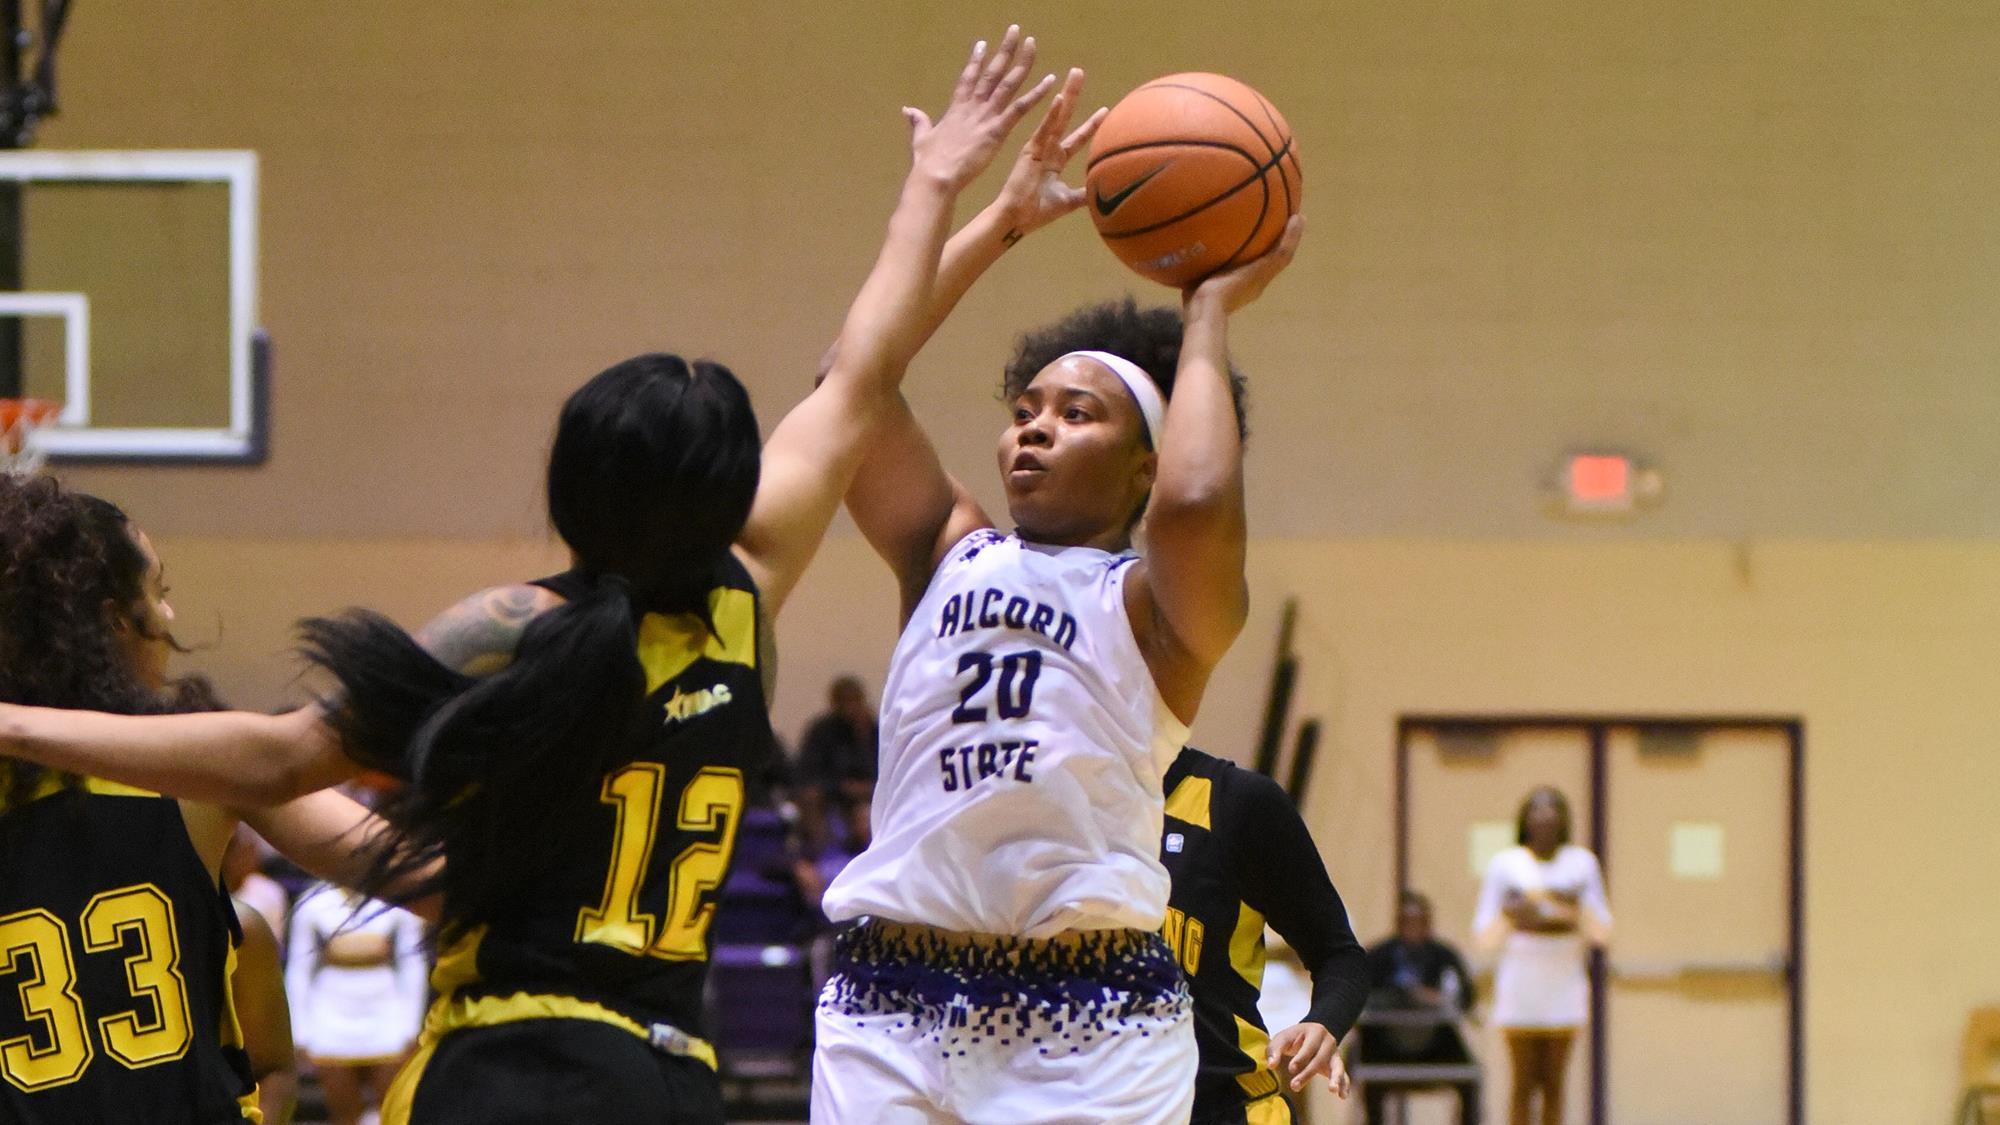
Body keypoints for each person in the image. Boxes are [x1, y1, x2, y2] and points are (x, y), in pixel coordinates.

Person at [0, 29, 1069, 1125]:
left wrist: (19, 725)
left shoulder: (516, 625)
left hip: (507, 1065)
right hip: (665, 1073)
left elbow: (276, 758)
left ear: (569, 489)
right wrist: (958, 199)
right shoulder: (743, 599)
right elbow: (861, 372)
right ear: (727, 490)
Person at [810, 26, 1307, 1119]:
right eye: (1022, 410)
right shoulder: (946, 547)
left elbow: (1192, 501)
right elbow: (850, 380)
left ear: (1142, 456)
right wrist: (993, 221)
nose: (1030, 430)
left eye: (1073, 413)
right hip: (889, 997)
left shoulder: (1157, 605)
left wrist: (1207, 315)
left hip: (1088, 1013)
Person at [0, 476, 401, 1124]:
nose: (169, 618)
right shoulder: (196, 771)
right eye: (159, 591)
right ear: (113, 621)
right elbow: (394, 857)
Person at [1158, 746, 1368, 1125]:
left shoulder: (1236, 801)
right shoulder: (1046, 808)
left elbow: (1339, 954)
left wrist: (1324, 1021)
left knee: (1295, 1070)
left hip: (1229, 1107)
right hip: (1087, 1107)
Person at [1473, 787, 1612, 1125]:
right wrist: (1514, 914)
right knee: (1522, 1084)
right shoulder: (1506, 864)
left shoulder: (1581, 863)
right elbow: (1483, 936)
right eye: (1536, 809)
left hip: (1564, 987)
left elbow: (1602, 932)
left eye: (1553, 809)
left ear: (1564, 819)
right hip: (1520, 987)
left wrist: (1567, 910)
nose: (1545, 817)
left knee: (1554, 1085)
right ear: (1524, 819)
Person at [285, 883, 427, 1125]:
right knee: (343, 1113)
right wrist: (300, 1031)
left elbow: (413, 965)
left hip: (386, 1012)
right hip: (330, 1013)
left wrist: (411, 1025)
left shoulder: (397, 899)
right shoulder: (312, 903)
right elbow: (299, 969)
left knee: (392, 1109)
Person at [1361, 890, 1479, 1124]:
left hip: (1435, 1042)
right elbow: (1361, 999)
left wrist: (1439, 999)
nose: (1415, 926)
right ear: (1398, 923)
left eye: (1421, 920)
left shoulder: (1444, 955)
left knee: (1470, 1078)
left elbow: (1467, 998)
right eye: (1408, 920)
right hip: (1386, 1044)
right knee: (1369, 1077)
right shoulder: (1377, 955)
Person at [794, 675, 879, 853]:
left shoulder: (874, 730)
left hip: (873, 792)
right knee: (810, 797)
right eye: (845, 702)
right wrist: (841, 787)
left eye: (854, 701)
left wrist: (861, 734)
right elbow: (808, 772)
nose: (850, 708)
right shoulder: (821, 731)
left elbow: (883, 767)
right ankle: (820, 854)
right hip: (833, 792)